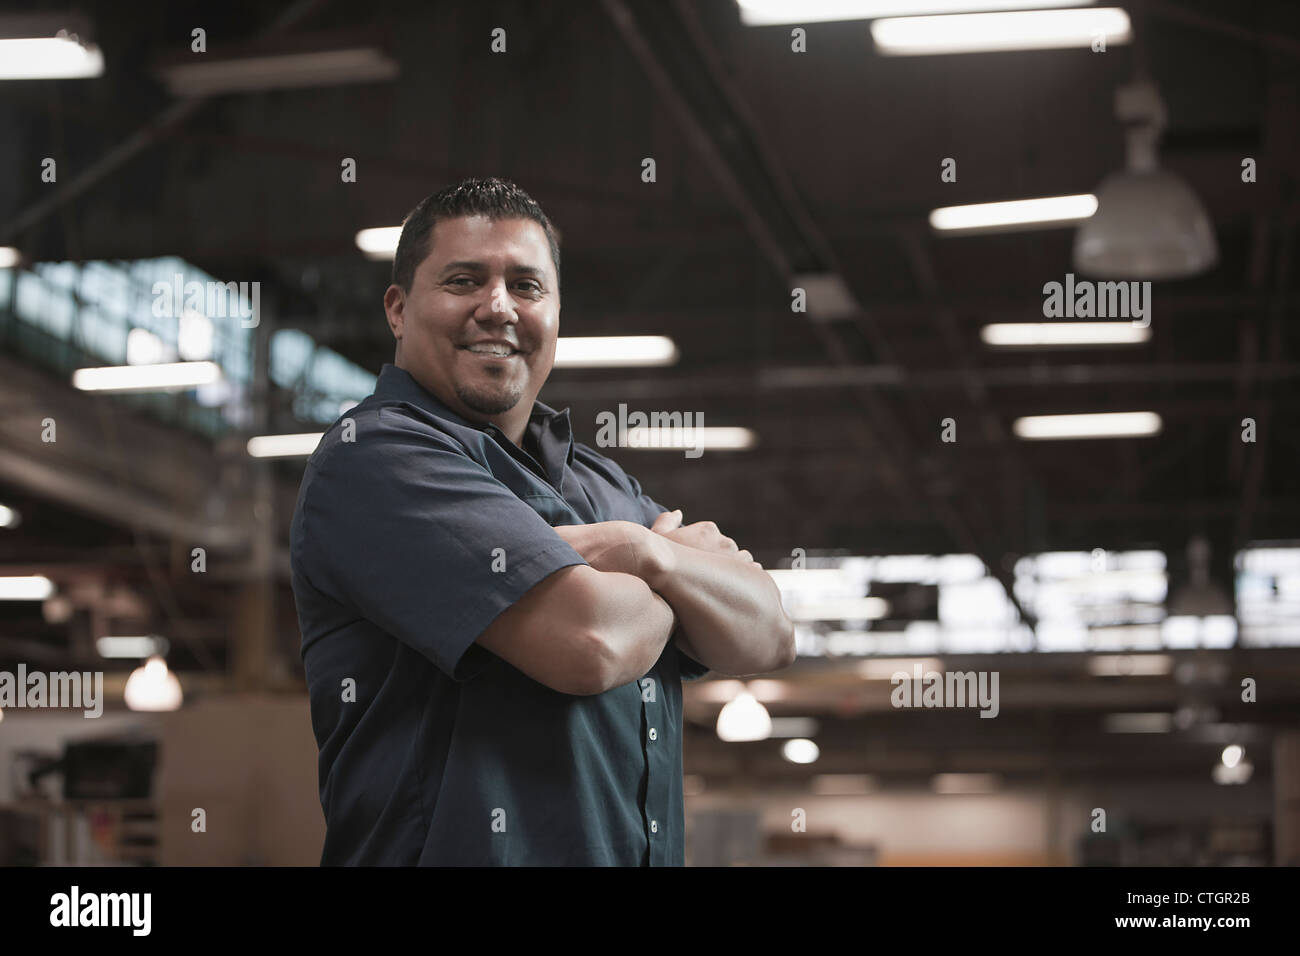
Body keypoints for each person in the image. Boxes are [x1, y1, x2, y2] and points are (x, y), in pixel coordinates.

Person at [289, 177, 794, 865]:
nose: (497, 308)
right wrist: (685, 582)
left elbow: (769, 633)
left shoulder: (605, 487)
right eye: (464, 280)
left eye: (526, 286)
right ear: (399, 309)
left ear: (555, 313)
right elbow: (591, 641)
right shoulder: (375, 461)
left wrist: (645, 555)